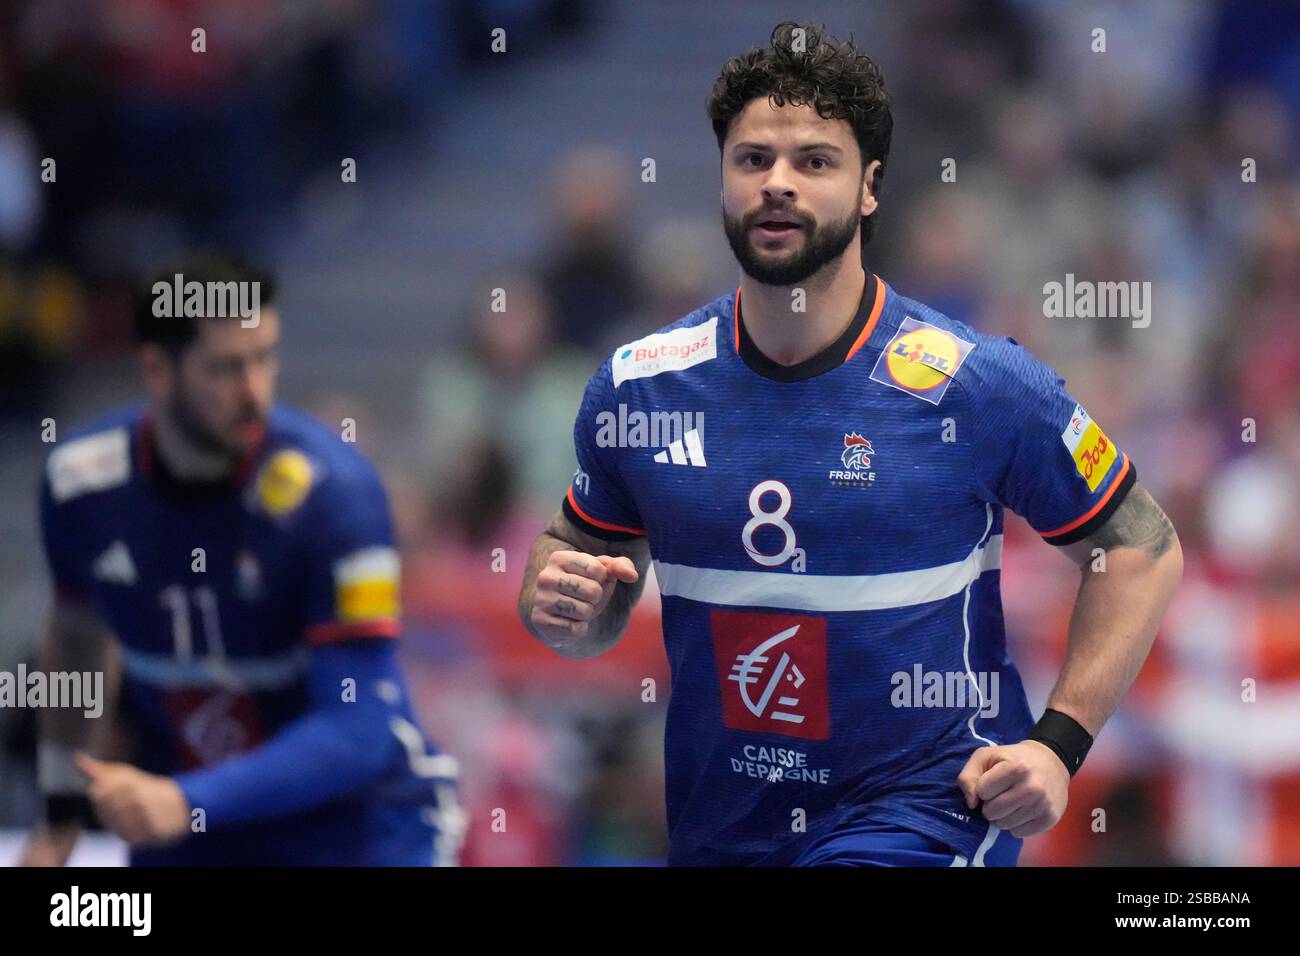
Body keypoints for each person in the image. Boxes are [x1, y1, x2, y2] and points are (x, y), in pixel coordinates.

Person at [517, 21, 1184, 866]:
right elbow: (581, 584)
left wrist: (1057, 746)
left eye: (814, 162)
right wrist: (561, 599)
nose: (778, 184)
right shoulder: (638, 387)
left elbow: (1140, 547)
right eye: (752, 159)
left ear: (870, 187)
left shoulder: (975, 384)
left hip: (927, 810)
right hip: (723, 826)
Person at [22, 251, 464, 866]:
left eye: (265, 358)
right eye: (225, 368)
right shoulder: (80, 487)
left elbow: (361, 730)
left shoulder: (337, 495)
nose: (253, 391)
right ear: (157, 368)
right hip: (194, 835)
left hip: (359, 833)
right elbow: (76, 640)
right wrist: (60, 815)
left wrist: (185, 798)